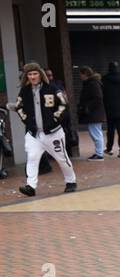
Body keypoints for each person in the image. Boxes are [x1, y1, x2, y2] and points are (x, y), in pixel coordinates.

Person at [12, 63, 76, 196]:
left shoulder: (52, 88)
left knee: (62, 159)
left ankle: (71, 182)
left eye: (35, 74)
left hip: (53, 133)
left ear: (40, 74)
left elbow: (64, 104)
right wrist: (26, 120)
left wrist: (54, 118)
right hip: (33, 133)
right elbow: (18, 107)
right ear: (26, 76)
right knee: (32, 157)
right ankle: (30, 186)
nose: (32, 77)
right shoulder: (24, 90)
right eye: (30, 74)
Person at [101, 61, 120, 157]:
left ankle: (109, 148)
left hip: (109, 109)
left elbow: (102, 95)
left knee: (110, 130)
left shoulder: (104, 79)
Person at [76, 67, 107, 159]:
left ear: (85, 74)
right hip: (94, 114)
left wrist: (87, 108)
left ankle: (99, 154)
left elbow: (97, 98)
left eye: (81, 74)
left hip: (94, 114)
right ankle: (98, 152)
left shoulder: (92, 84)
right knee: (95, 133)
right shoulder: (92, 83)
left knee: (96, 133)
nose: (80, 76)